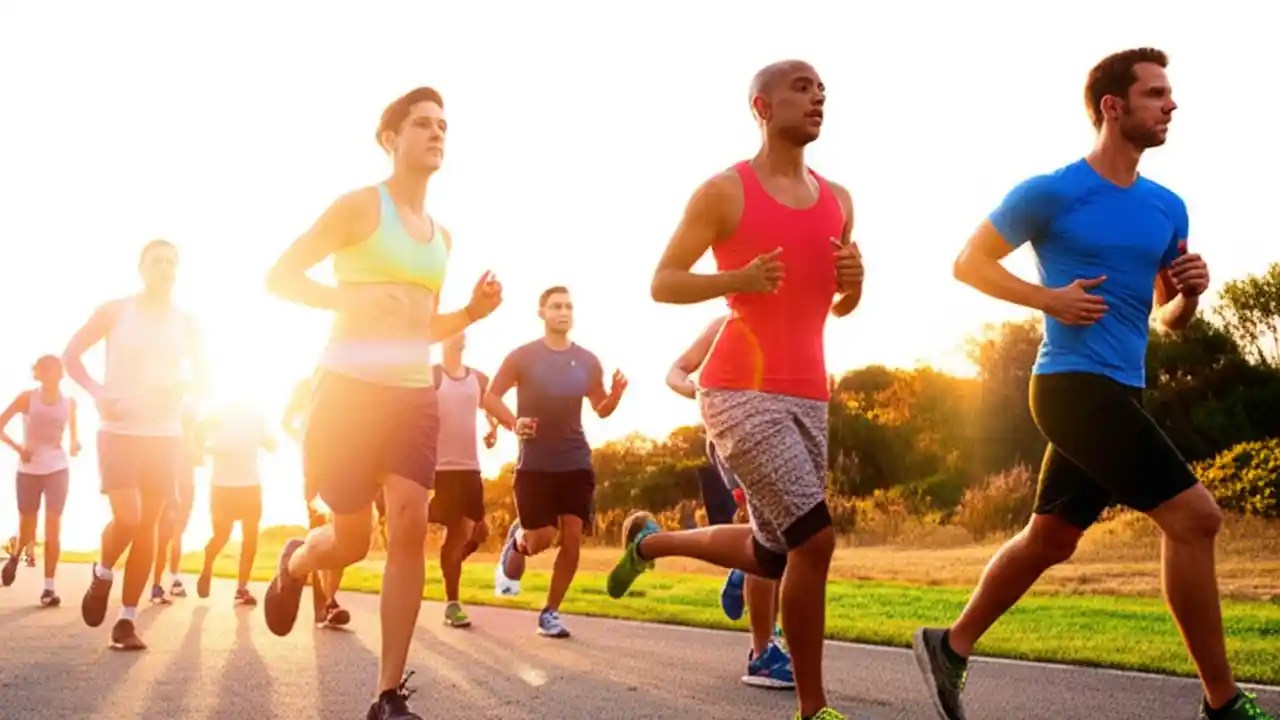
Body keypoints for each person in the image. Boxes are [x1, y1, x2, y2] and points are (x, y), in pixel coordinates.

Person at [910, 48, 1275, 720]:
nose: (1171, 106)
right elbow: (969, 263)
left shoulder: (1168, 207)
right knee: (1196, 518)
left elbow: (1167, 318)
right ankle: (1223, 703)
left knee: (1052, 538)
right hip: (1070, 387)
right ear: (1113, 106)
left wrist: (1190, 296)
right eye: (1155, 94)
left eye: (1170, 95)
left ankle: (949, 645)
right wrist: (1050, 299)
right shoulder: (1053, 191)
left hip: (1121, 387)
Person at [605, 60, 862, 720]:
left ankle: (650, 545)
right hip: (738, 391)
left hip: (810, 393)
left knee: (769, 554)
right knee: (816, 541)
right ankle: (814, 707)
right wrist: (737, 277)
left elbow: (835, 305)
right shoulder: (726, 191)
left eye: (822, 91)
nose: (817, 98)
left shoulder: (840, 199)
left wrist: (856, 282)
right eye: (801, 88)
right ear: (761, 105)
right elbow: (663, 281)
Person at [263, 86, 502, 720]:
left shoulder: (441, 237)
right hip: (345, 391)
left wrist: (471, 314)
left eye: (443, 125)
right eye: (422, 124)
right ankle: (297, 561)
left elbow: (417, 328)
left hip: (409, 396)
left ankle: (387, 694)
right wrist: (343, 301)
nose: (436, 133)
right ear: (390, 138)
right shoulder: (359, 208)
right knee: (348, 542)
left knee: (406, 526)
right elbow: (279, 276)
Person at [63, 238, 207, 651]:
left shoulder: (187, 322)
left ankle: (126, 621)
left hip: (165, 435)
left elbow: (207, 376)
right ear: (141, 268)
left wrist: (188, 389)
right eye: (157, 261)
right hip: (119, 430)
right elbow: (71, 354)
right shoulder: (115, 311)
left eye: (171, 262)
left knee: (150, 528)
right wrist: (96, 391)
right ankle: (103, 571)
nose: (165, 268)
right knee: (129, 517)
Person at [485, 286, 627, 639]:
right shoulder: (522, 356)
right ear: (542, 312)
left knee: (574, 537)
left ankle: (550, 612)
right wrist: (512, 423)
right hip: (534, 463)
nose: (563, 312)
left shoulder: (588, 360)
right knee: (543, 538)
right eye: (555, 306)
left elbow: (600, 408)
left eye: (568, 306)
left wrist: (616, 395)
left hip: (575, 458)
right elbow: (489, 396)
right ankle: (518, 539)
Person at [667, 316, 793, 689]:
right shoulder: (727, 322)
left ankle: (743, 573)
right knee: (772, 534)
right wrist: (696, 390)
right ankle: (762, 654)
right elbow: (676, 370)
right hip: (737, 435)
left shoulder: (794, 322)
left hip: (784, 434)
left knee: (790, 537)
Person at [430, 332, 502, 628]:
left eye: (459, 333)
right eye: (448, 333)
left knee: (475, 534)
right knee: (452, 535)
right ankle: (452, 602)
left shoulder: (479, 379)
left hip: (470, 467)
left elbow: (491, 406)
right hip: (438, 469)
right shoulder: (432, 376)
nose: (454, 338)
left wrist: (493, 428)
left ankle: (450, 563)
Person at [0, 355, 80, 606]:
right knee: (28, 529)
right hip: (29, 469)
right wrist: (18, 448)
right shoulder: (28, 398)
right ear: (39, 374)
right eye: (45, 371)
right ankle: (16, 554)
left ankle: (49, 588)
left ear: (60, 374)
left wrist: (75, 444)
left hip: (57, 468)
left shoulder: (70, 403)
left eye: (55, 370)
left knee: (53, 527)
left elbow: (72, 437)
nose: (51, 375)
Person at [282, 376, 351, 629]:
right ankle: (327, 605)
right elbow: (286, 421)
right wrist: (306, 441)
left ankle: (329, 602)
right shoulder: (307, 384)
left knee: (343, 541)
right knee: (324, 535)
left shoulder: (348, 381)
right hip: (317, 471)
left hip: (348, 467)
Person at [195, 401, 277, 605]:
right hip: (223, 487)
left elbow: (270, 443)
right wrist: (207, 450)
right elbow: (197, 434)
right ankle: (207, 565)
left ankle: (242, 588)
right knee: (222, 535)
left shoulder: (256, 416)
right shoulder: (217, 414)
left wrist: (268, 443)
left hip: (250, 485)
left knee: (250, 539)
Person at [151, 402, 201, 604]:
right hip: (170, 487)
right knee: (164, 536)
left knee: (175, 534)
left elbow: (198, 459)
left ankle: (172, 579)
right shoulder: (169, 437)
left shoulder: (191, 438)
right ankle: (159, 583)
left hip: (186, 488)